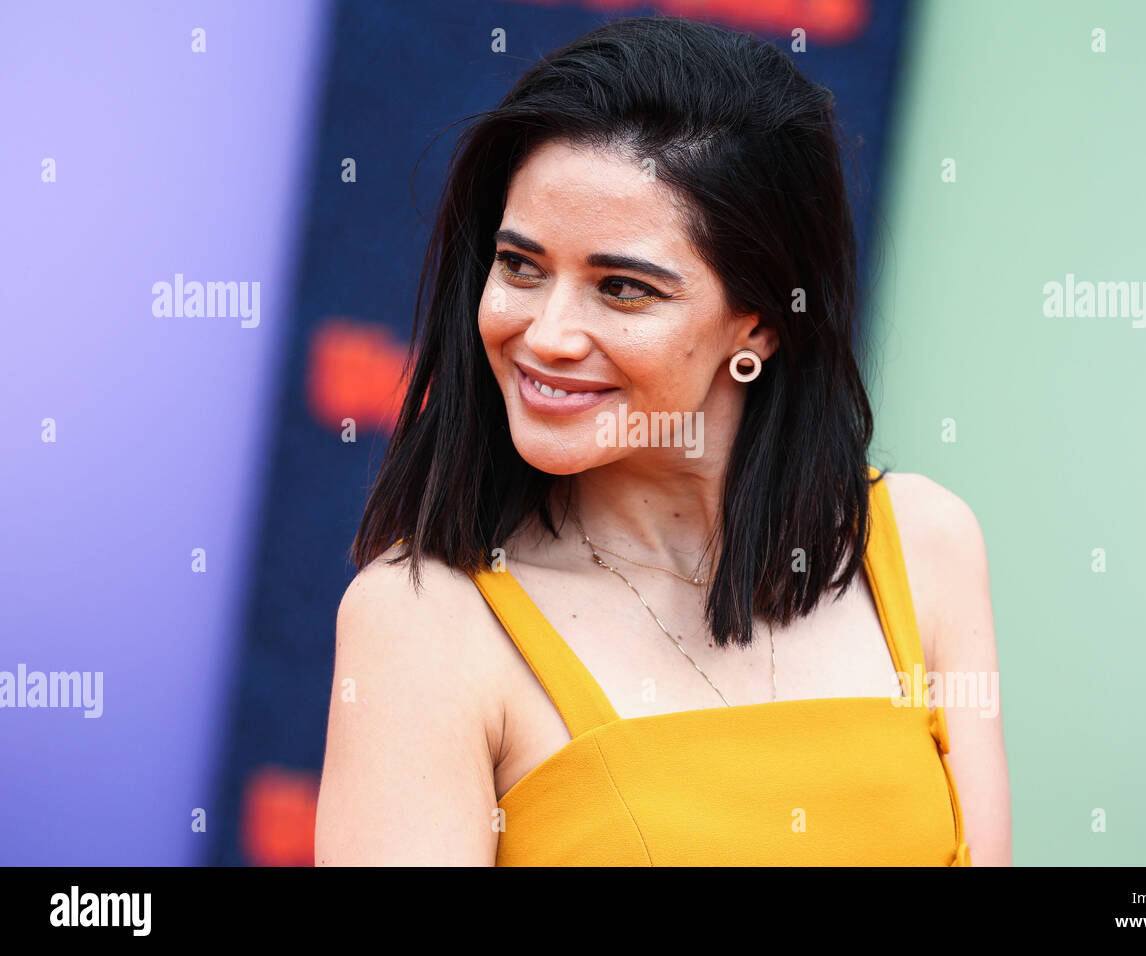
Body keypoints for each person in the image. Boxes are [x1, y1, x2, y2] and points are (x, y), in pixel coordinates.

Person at [315, 15, 1010, 866]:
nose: (549, 334)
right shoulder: (424, 621)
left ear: (758, 326)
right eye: (521, 266)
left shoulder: (919, 544)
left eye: (622, 289)